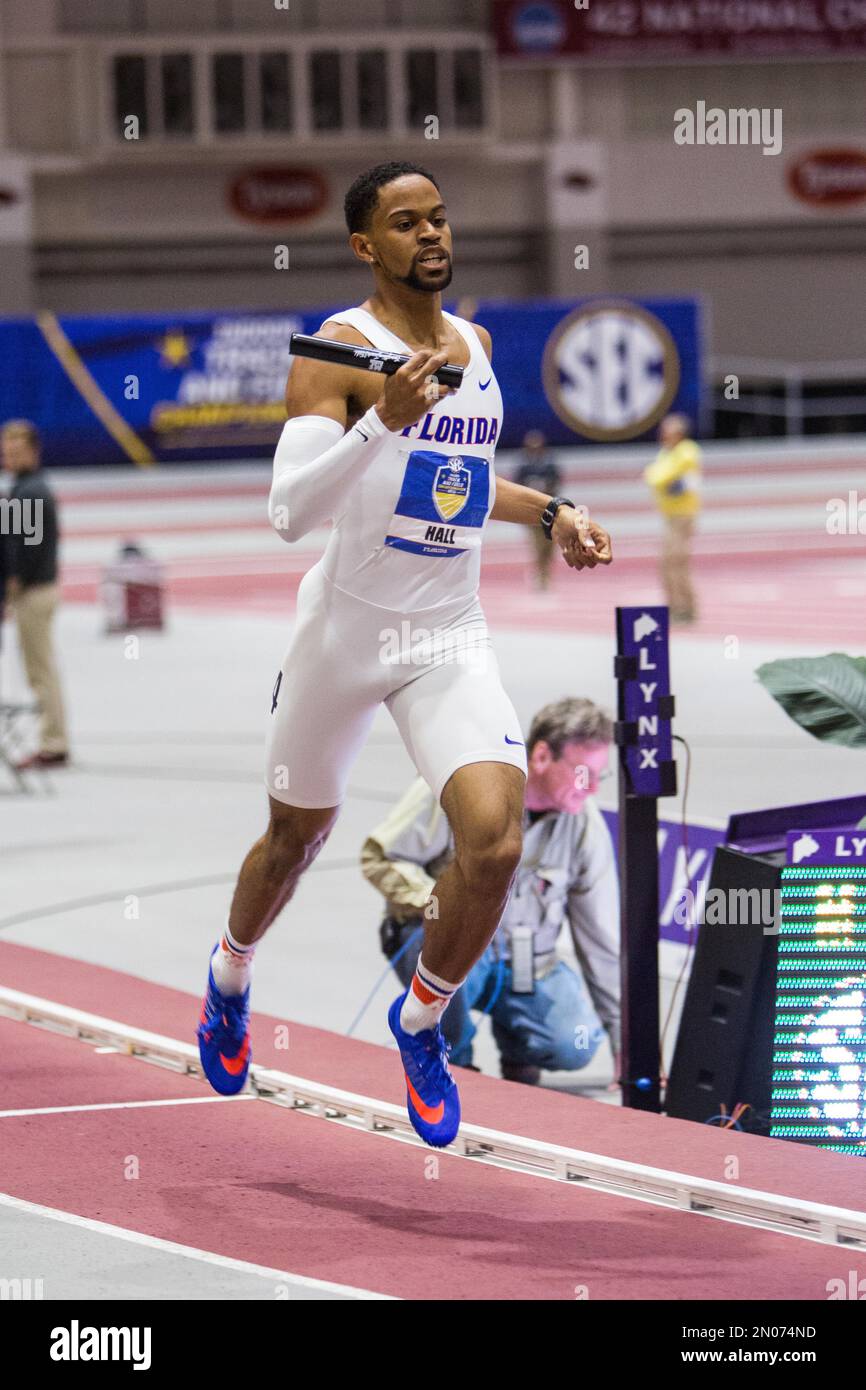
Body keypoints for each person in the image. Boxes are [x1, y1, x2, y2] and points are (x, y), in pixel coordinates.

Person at [196, 161, 613, 1149]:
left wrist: (548, 510)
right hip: (341, 635)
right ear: (364, 246)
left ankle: (421, 1020)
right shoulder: (337, 353)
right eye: (403, 222)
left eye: (437, 217)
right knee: (293, 839)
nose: (429, 234)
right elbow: (289, 511)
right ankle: (227, 977)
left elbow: (454, 483)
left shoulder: (470, 345)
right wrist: (381, 417)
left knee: (496, 839)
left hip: (444, 636)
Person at [362, 697, 620, 1087]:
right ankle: (450, 1062)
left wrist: (625, 1047)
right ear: (542, 755)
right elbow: (378, 856)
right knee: (451, 1018)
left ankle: (519, 1050)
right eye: (584, 772)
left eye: (601, 775)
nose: (593, 787)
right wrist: (439, 903)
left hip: (525, 960)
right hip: (452, 942)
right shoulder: (466, 788)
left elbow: (601, 941)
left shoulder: (585, 826)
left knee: (574, 1044)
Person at [0, 419, 70, 768]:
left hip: (33, 593)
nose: (9, 457)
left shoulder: (29, 492)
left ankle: (54, 742)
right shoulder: (27, 487)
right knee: (41, 669)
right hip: (39, 588)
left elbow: (20, 551)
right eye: (5, 451)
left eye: (15, 451)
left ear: (33, 451)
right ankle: (53, 738)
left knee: (40, 670)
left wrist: (10, 590)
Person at [642, 413, 701, 624]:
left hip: (682, 516)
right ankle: (675, 608)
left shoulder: (686, 451)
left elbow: (659, 477)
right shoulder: (667, 453)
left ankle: (687, 609)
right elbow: (654, 476)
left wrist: (657, 476)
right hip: (669, 516)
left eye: (668, 430)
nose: (663, 434)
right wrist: (657, 477)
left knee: (677, 563)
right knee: (667, 564)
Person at [514, 430, 562, 591]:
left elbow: (557, 485)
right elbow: (516, 487)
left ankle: (545, 571)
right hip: (532, 513)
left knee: (549, 545)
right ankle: (540, 574)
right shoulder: (524, 467)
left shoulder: (549, 466)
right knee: (537, 545)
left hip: (549, 512)